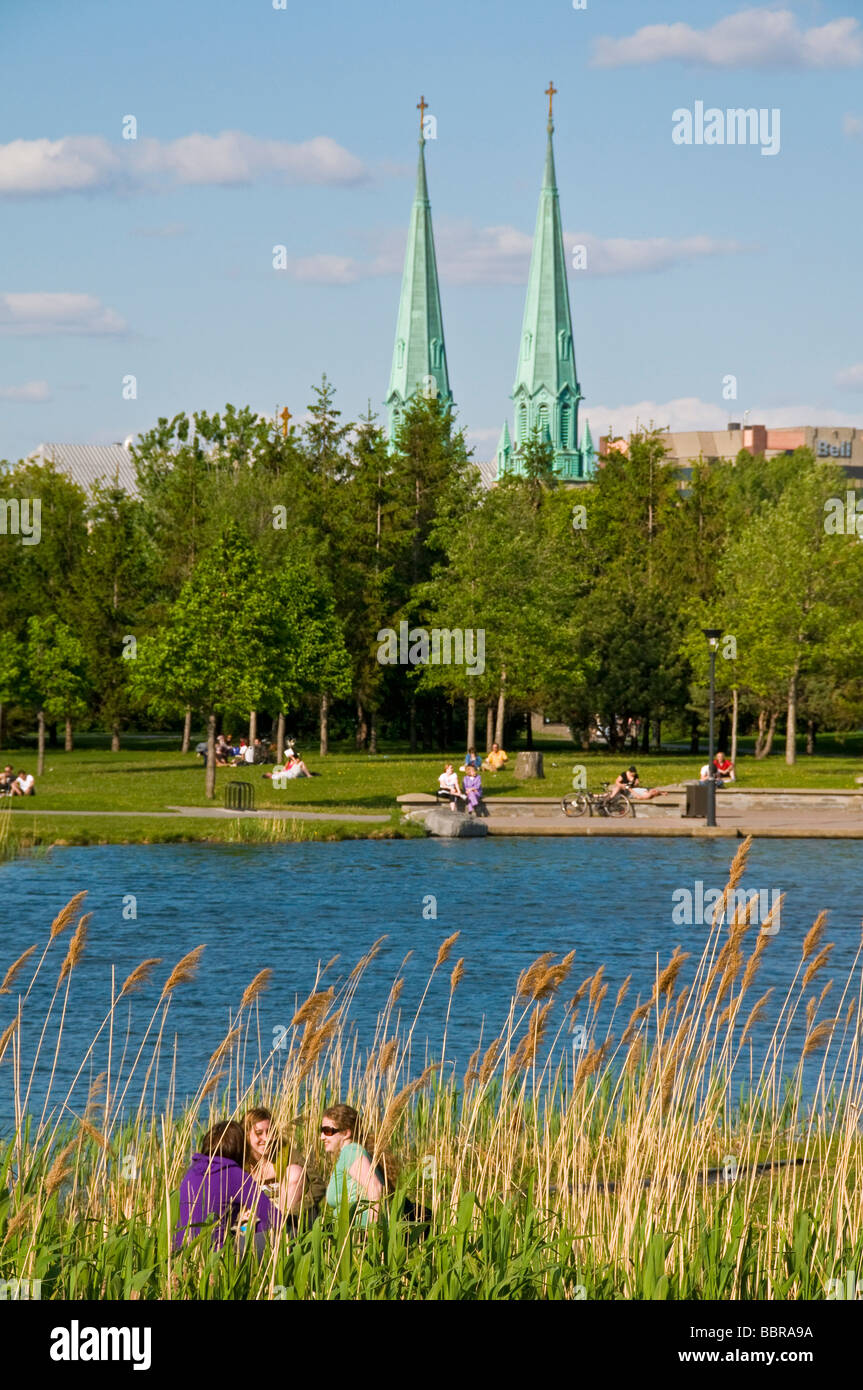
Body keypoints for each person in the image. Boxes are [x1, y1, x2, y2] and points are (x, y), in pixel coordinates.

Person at [174, 1120, 278, 1252]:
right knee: (288, 1232)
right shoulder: (235, 1174)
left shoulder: (192, 1170)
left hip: (181, 1252)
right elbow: (275, 1219)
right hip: (217, 1255)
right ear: (240, 1148)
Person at [243, 1107, 325, 1220]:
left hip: (290, 1219)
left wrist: (292, 1212)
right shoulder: (241, 1162)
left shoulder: (285, 1152)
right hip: (256, 1223)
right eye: (259, 1133)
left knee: (295, 1171)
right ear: (247, 1135)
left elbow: (318, 1185)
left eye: (270, 1131)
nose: (267, 1138)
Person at [321, 1104, 388, 1227]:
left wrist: (372, 1230)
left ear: (346, 1133)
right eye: (322, 1131)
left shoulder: (351, 1151)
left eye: (327, 1131)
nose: (322, 1137)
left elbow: (375, 1187)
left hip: (361, 1235)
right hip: (350, 1234)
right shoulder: (349, 1154)